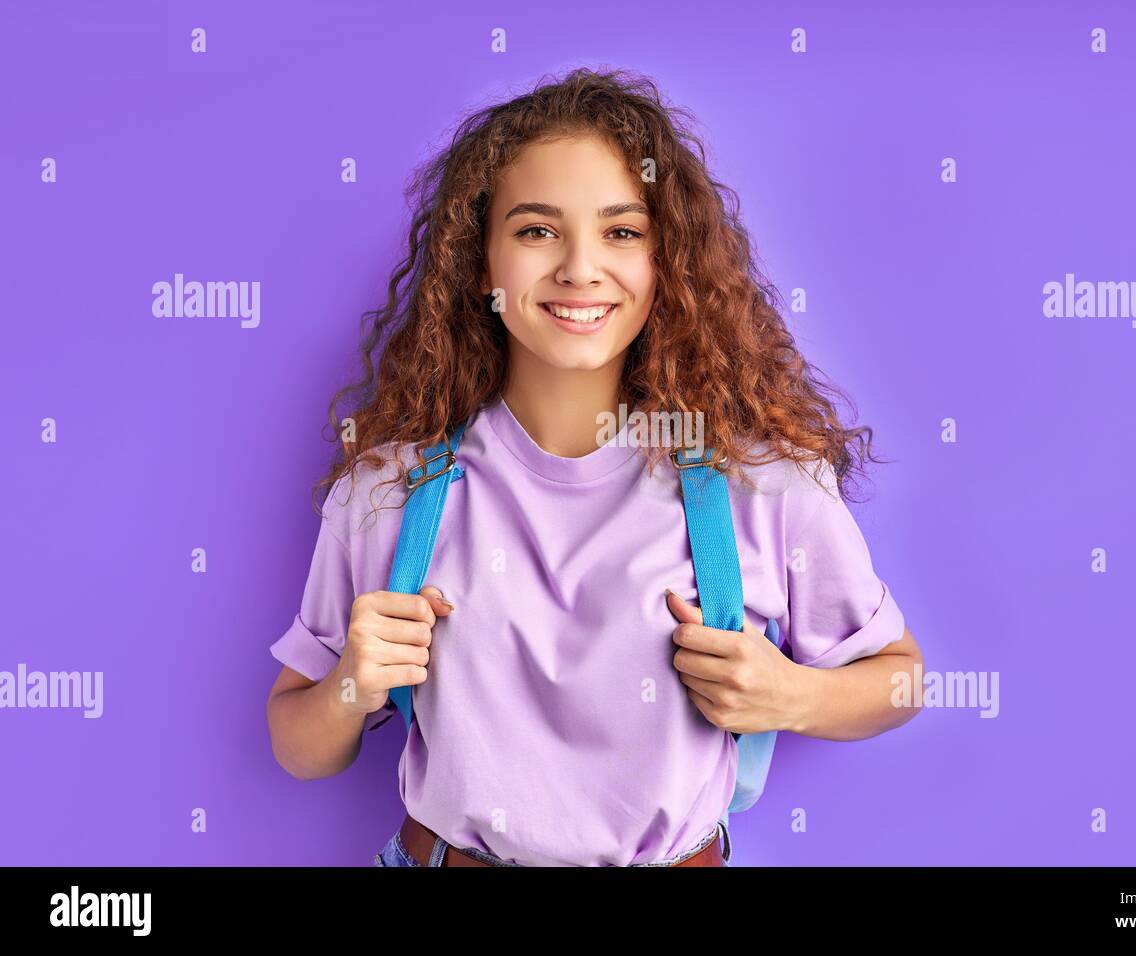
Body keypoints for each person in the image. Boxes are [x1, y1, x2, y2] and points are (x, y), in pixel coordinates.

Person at [265, 67, 924, 867]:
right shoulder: (387, 493)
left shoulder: (762, 482)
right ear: (482, 263)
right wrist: (351, 686)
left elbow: (902, 682)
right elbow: (300, 746)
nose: (580, 268)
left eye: (622, 231)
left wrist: (796, 695)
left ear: (665, 260)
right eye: (536, 230)